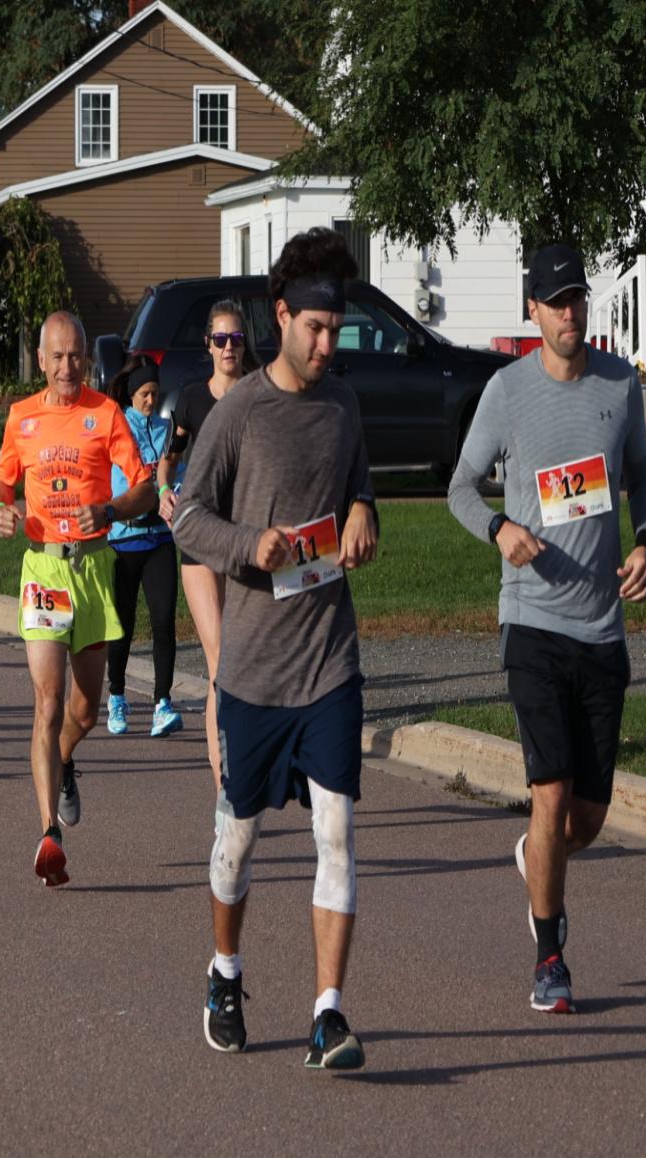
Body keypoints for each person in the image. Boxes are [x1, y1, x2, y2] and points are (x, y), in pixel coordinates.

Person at [173, 228, 379, 1070]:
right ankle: (225, 971)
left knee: (336, 830)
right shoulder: (237, 412)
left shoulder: (345, 407)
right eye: (316, 329)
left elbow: (358, 488)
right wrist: (249, 546)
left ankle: (328, 1011)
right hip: (255, 669)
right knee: (240, 843)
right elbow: (185, 517)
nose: (329, 346)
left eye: (339, 331)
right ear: (282, 315)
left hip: (329, 659)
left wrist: (366, 510)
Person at [447, 243, 646, 1016]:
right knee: (552, 788)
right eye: (556, 301)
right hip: (531, 621)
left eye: (579, 298)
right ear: (532, 311)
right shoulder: (506, 393)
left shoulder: (619, 385)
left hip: (603, 628)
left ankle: (540, 859)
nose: (571, 312)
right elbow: (460, 489)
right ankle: (550, 956)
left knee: (587, 820)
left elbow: (642, 476)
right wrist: (500, 529)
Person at [0, 311, 156, 886]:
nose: (67, 366)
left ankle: (63, 761)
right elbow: (0, 480)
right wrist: (2, 507)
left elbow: (145, 488)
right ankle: (48, 835)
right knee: (48, 699)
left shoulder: (106, 413)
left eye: (75, 355)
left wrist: (110, 510)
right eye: (57, 356)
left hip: (92, 570)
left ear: (86, 358)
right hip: (44, 571)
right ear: (40, 360)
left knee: (84, 709)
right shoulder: (21, 418)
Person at [157, 301, 255, 792]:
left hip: (246, 541)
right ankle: (224, 786)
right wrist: (163, 495)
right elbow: (167, 462)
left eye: (236, 339)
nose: (229, 348)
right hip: (199, 535)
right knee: (220, 662)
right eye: (221, 340)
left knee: (247, 659)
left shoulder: (262, 395)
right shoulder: (193, 399)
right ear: (208, 346)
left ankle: (245, 763)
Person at [103, 358, 183, 737]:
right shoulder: (118, 428)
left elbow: (177, 476)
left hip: (160, 539)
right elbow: (118, 486)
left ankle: (162, 703)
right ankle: (116, 696)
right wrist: (144, 491)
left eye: (155, 393)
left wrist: (173, 494)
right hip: (123, 540)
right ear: (132, 395)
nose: (151, 400)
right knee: (122, 624)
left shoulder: (167, 430)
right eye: (144, 394)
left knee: (164, 620)